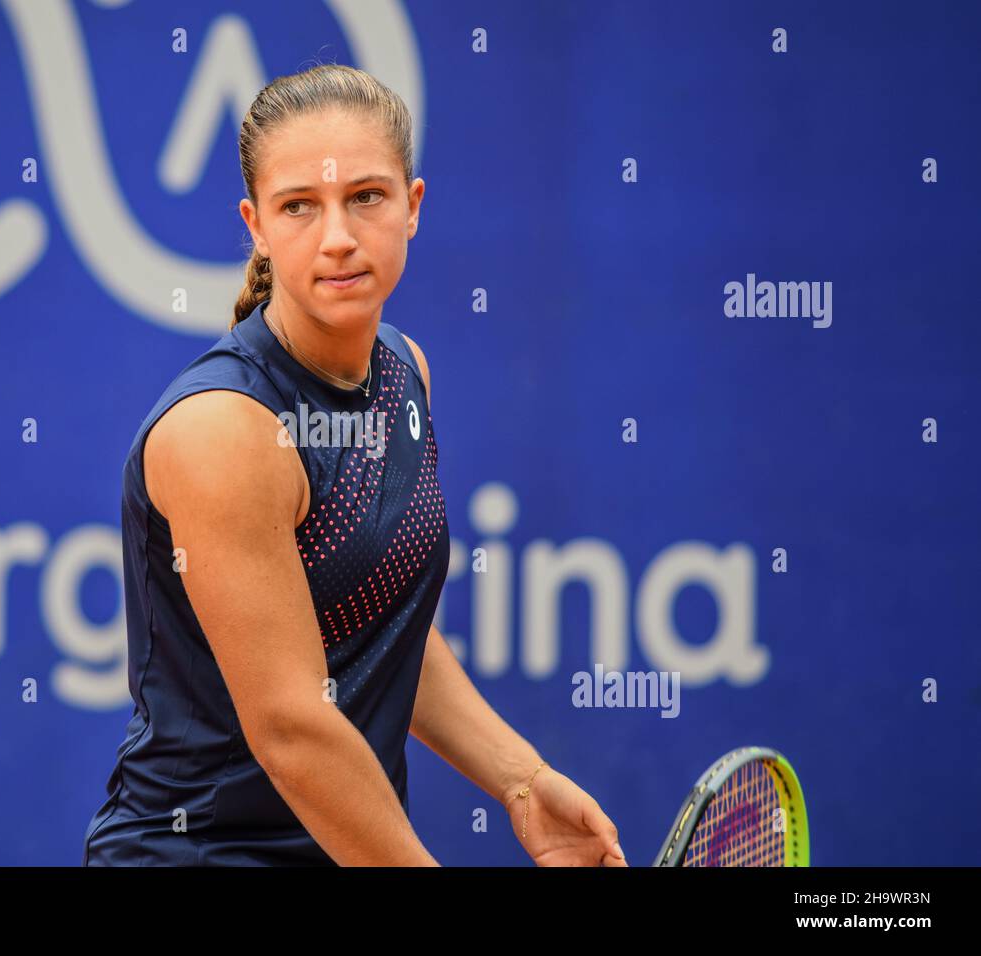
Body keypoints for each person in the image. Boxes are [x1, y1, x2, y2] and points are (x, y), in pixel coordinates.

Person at [83, 63, 626, 866]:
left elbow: (380, 628)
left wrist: (520, 780)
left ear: (412, 208)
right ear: (256, 225)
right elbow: (293, 728)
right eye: (299, 206)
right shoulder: (223, 431)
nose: (337, 236)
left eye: (366, 198)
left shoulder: (406, 371)